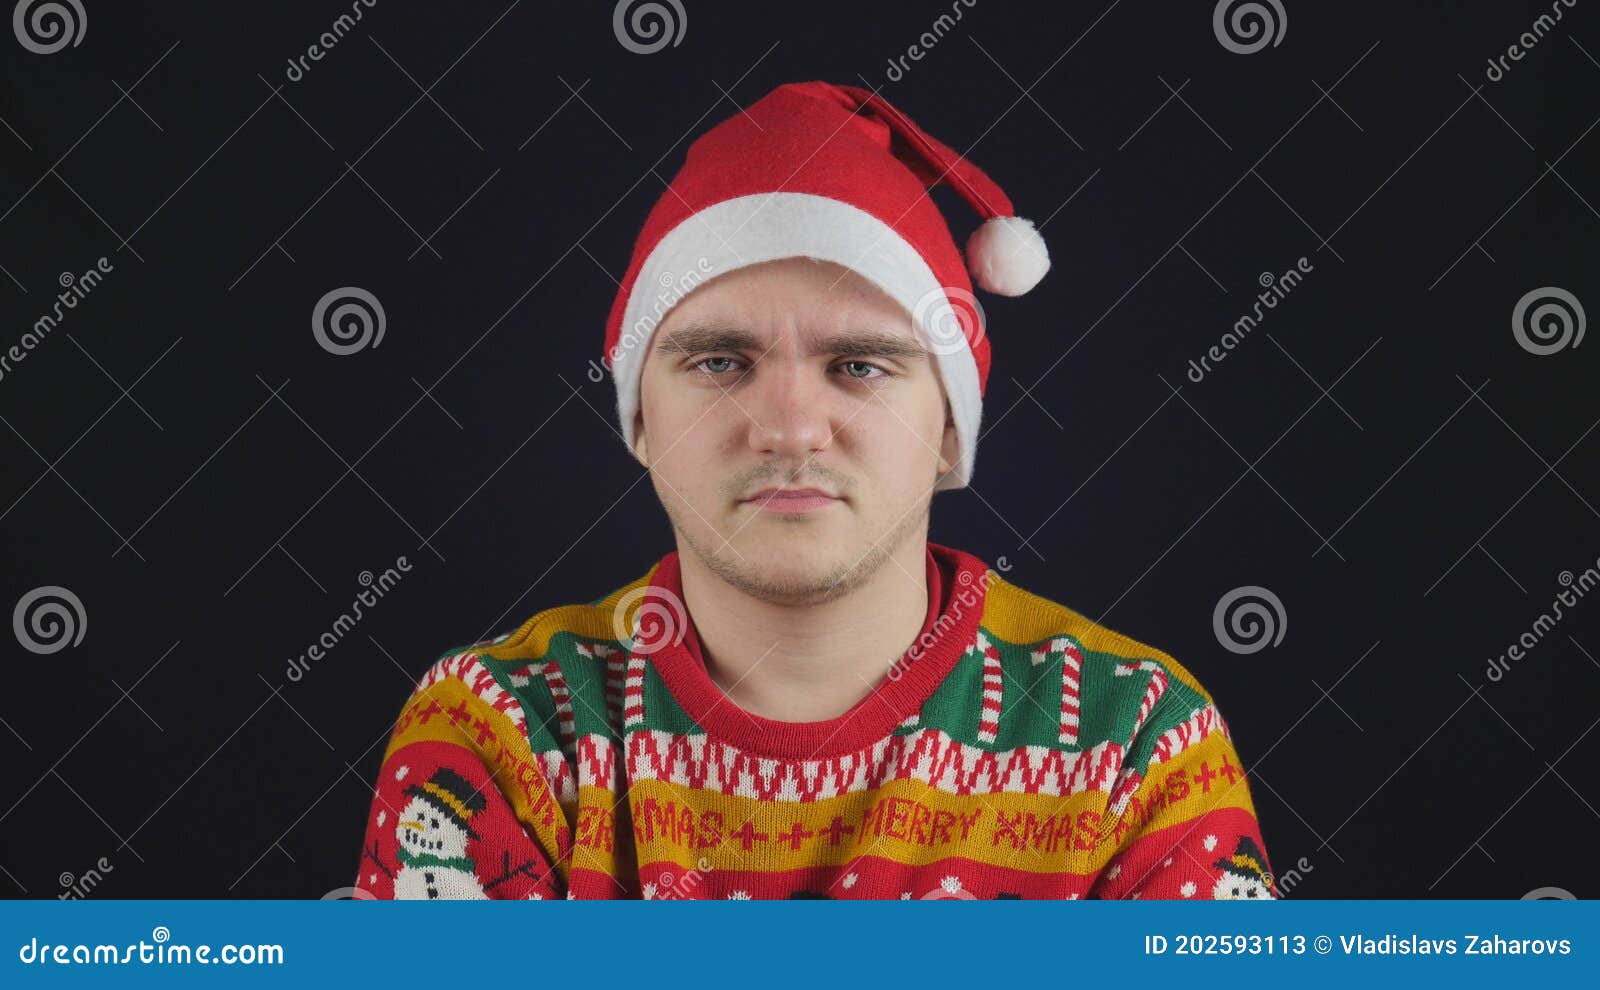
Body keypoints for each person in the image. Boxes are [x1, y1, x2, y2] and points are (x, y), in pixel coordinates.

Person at [354, 81, 1275, 900]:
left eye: (860, 366)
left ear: (951, 426)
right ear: (638, 419)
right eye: (719, 362)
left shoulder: (1137, 740)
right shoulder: (499, 731)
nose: (790, 428)